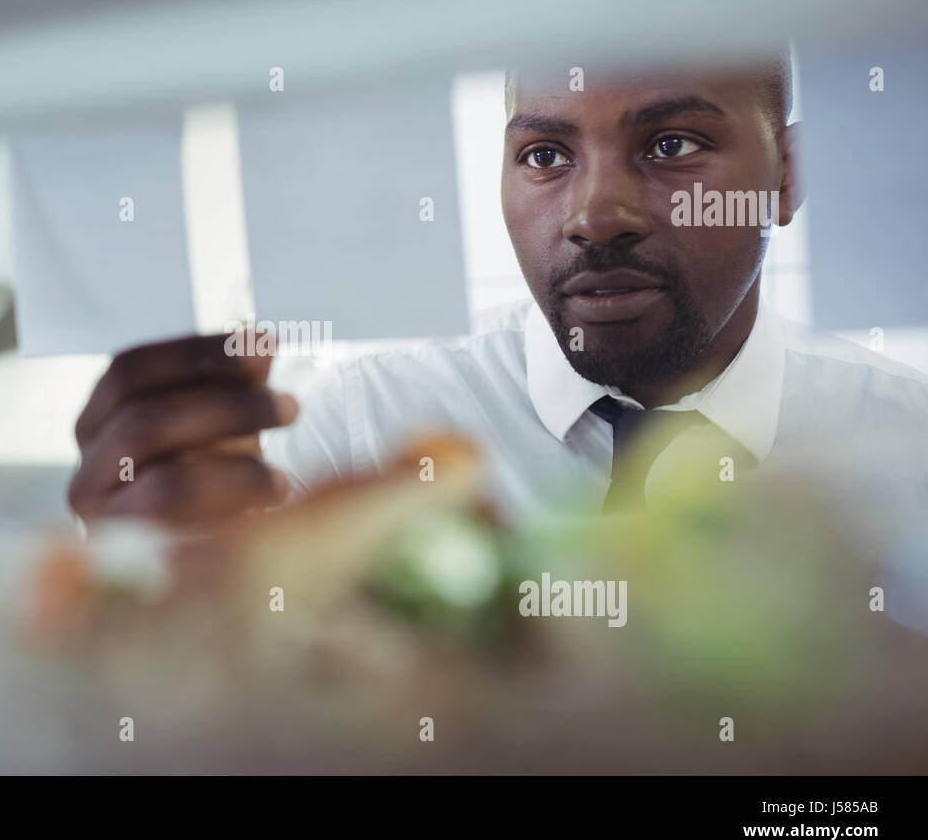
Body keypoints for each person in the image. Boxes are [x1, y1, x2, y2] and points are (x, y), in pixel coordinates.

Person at [67, 57, 928, 529]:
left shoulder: (904, 449)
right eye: (546, 156)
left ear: (786, 176)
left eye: (671, 144)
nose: (597, 217)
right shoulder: (364, 436)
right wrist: (140, 566)